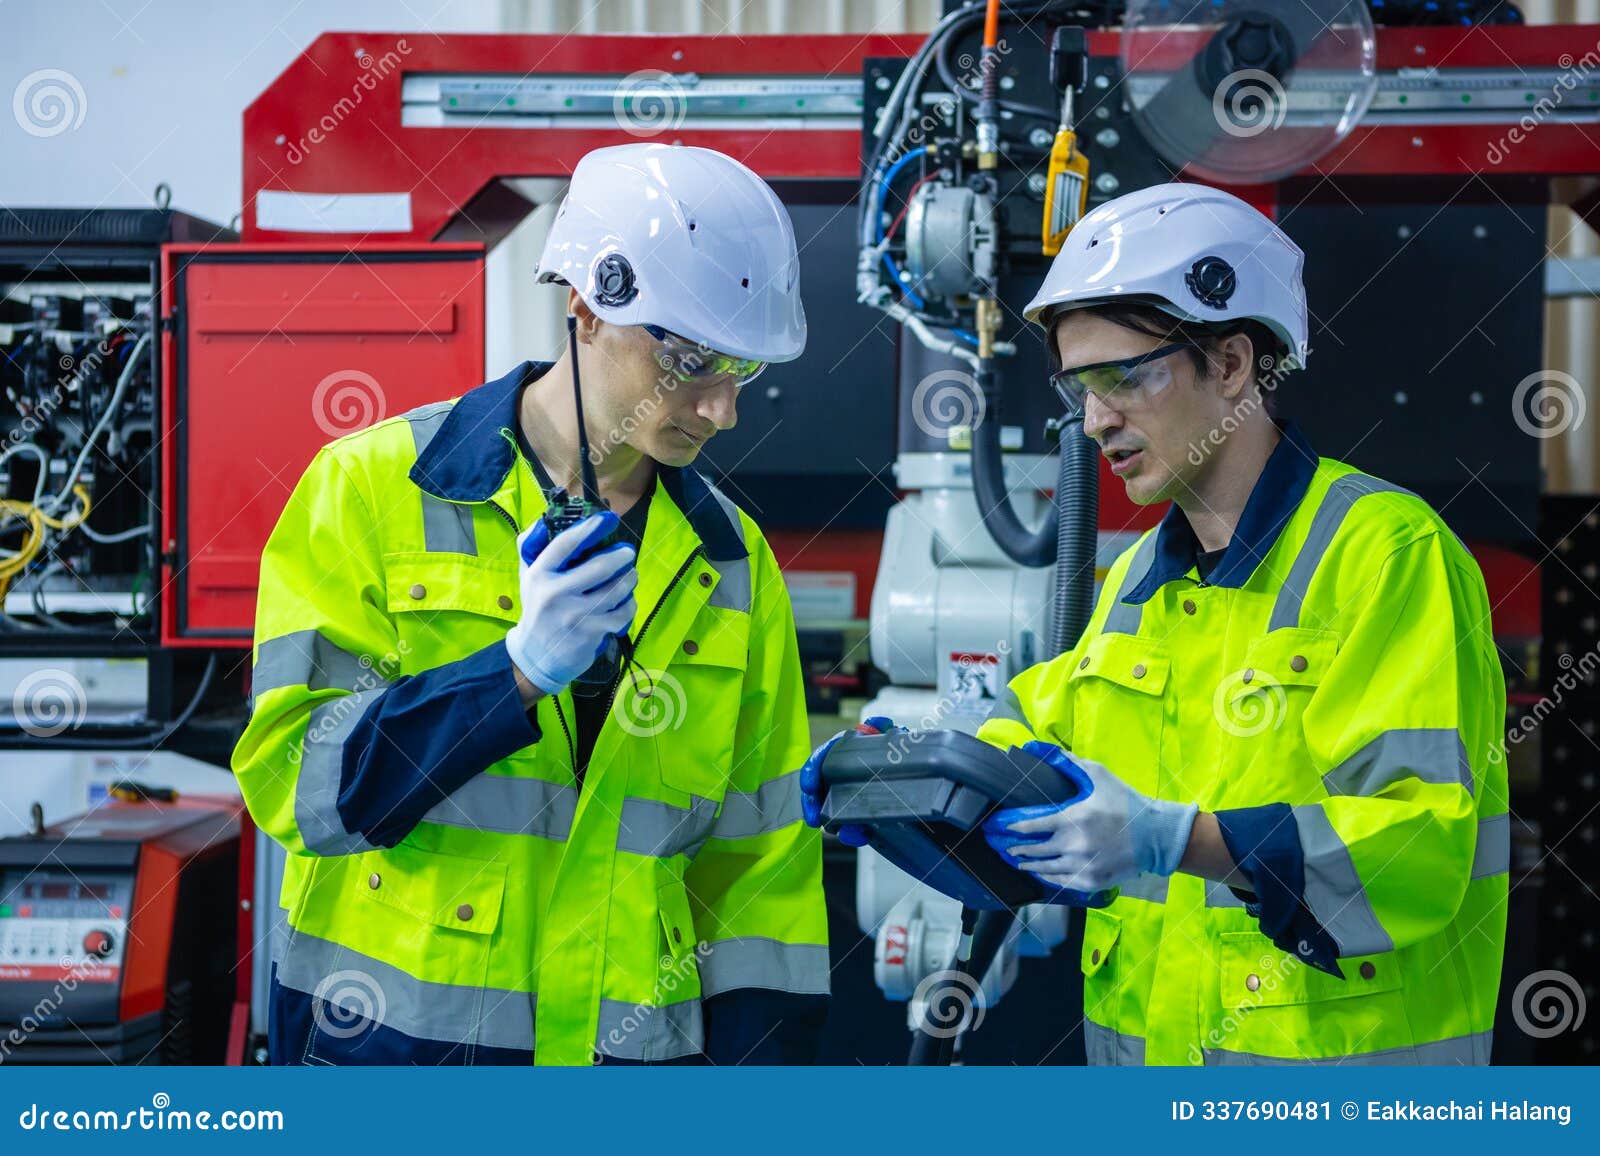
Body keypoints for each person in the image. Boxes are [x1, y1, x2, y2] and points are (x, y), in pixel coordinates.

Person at [802, 182, 1508, 1065]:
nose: (1095, 420)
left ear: (1233, 365)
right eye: (1079, 386)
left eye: (1123, 377)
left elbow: (1421, 849)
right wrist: (904, 770)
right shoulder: (1138, 579)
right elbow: (1033, 738)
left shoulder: (1386, 554)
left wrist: (1179, 841)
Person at [235, 143, 828, 1066]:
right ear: (586, 305)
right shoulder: (372, 489)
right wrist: (508, 678)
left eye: (741, 370)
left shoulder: (733, 561)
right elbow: (297, 787)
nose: (722, 410)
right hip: (401, 1058)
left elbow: (760, 871)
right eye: (693, 361)